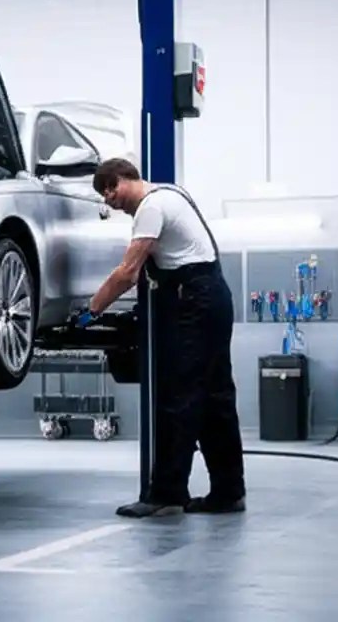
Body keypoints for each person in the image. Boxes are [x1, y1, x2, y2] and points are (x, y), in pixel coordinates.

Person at [71, 158, 246, 518]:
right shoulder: (172, 194)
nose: (110, 200)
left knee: (179, 396)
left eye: (110, 190)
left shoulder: (151, 207)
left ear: (123, 178)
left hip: (195, 300)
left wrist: (91, 311)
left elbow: (127, 273)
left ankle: (166, 494)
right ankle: (229, 492)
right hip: (212, 297)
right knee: (214, 398)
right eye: (104, 196)